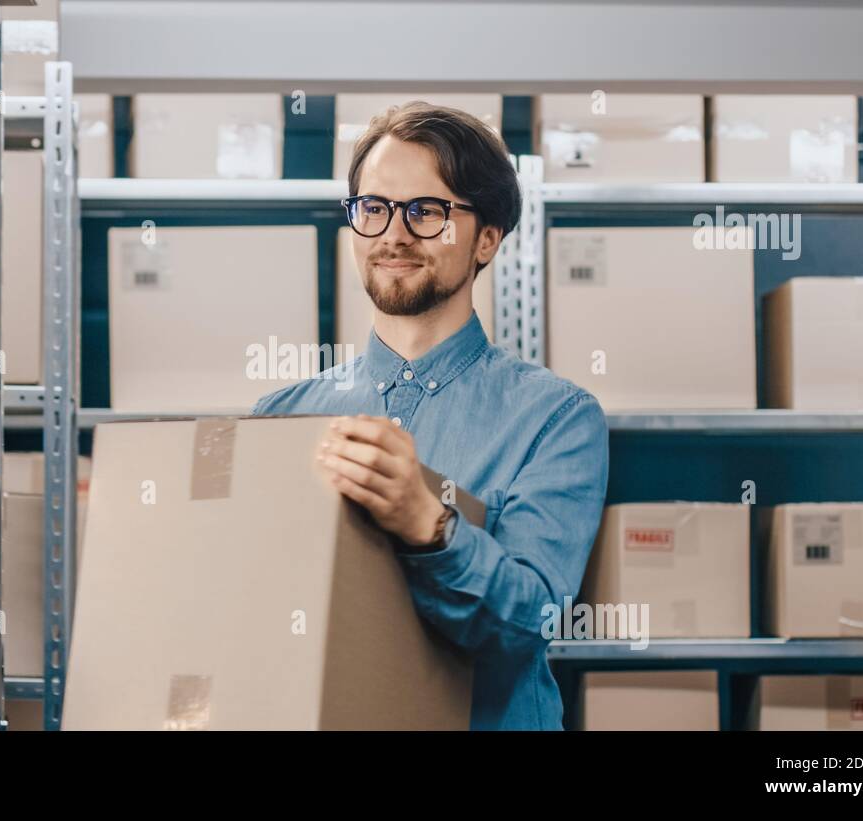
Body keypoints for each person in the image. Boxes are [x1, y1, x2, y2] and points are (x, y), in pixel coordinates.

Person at [252, 102, 609, 730]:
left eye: (427, 211)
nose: (393, 234)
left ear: (488, 239)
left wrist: (428, 522)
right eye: (374, 208)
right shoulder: (282, 417)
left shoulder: (556, 418)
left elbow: (534, 624)